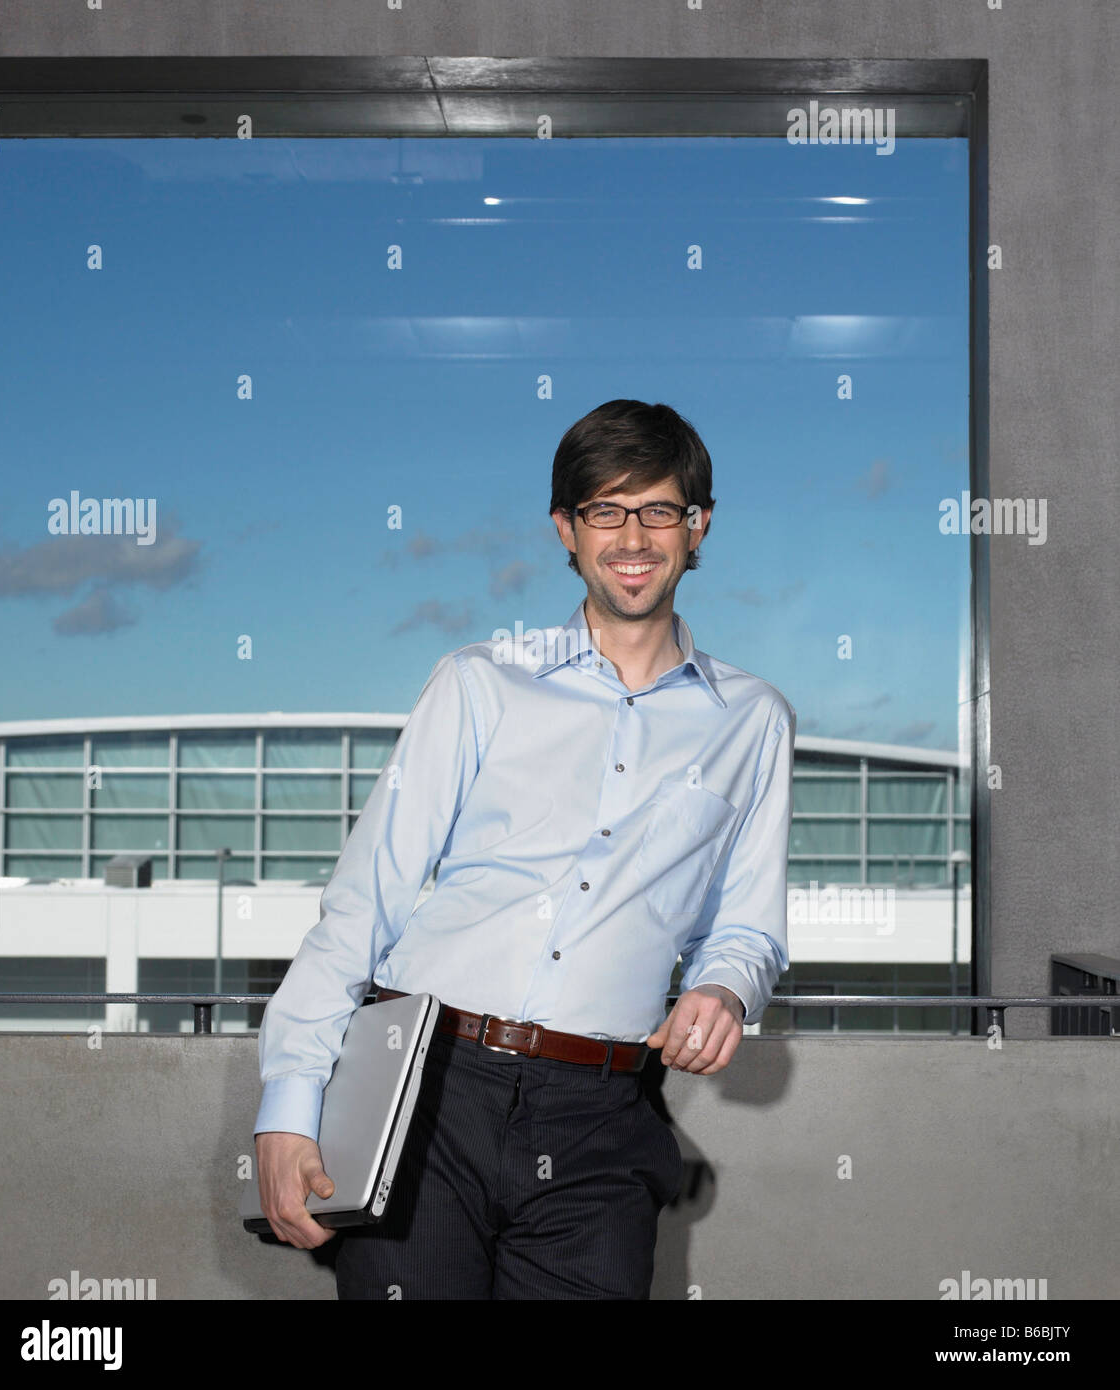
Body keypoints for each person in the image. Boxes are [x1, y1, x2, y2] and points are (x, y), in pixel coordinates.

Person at [253, 398, 796, 1300]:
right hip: (425, 1087)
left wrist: (722, 984)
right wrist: (288, 1105)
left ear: (696, 527)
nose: (632, 535)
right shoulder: (478, 682)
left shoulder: (754, 722)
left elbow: (749, 927)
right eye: (603, 511)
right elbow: (365, 899)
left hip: (602, 1117)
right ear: (565, 530)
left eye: (658, 509)